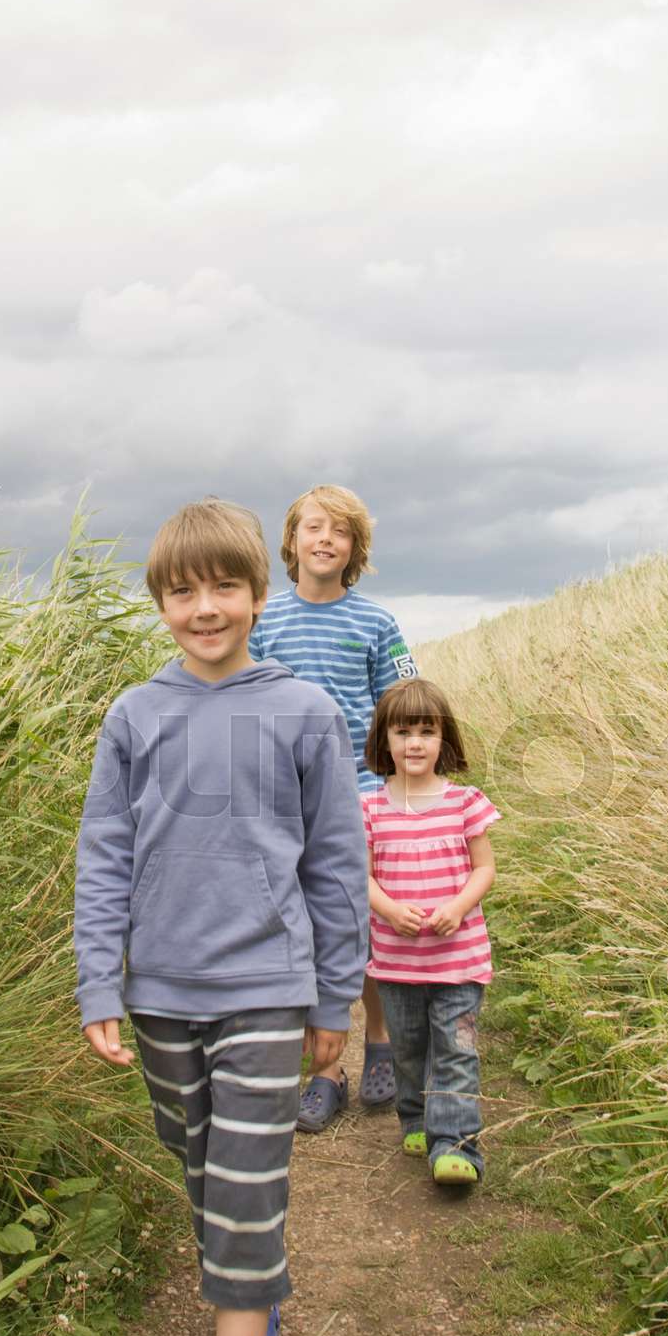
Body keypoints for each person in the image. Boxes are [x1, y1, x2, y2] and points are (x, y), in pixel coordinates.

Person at [74, 498, 367, 1336]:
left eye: (225, 586)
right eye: (182, 589)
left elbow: (338, 862)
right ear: (160, 601)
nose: (206, 607)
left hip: (264, 990)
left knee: (247, 1190)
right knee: (202, 1170)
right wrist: (97, 982)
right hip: (159, 992)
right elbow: (103, 854)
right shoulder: (132, 716)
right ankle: (259, 1295)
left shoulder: (302, 712)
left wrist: (334, 996)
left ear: (258, 591)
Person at [248, 484, 418, 1131]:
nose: (325, 538)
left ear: (355, 549)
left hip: (364, 793)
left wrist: (399, 786)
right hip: (289, 798)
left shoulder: (376, 623)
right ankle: (325, 1072)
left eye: (339, 531)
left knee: (363, 926)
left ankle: (379, 1042)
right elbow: (252, 706)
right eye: (312, 527)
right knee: (306, 930)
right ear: (291, 542)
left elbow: (402, 704)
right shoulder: (268, 622)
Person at [362, 677, 499, 1185]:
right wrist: (391, 909)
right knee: (409, 1046)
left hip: (458, 958)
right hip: (397, 963)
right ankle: (416, 1118)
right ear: (384, 742)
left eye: (426, 731)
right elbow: (361, 875)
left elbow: (484, 869)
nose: (414, 743)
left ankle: (456, 1145)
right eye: (402, 732)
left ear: (445, 740)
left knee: (456, 1050)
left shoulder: (464, 802)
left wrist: (460, 906)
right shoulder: (371, 809)